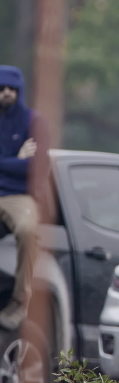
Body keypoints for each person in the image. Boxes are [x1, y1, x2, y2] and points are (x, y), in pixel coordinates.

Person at [0, 65, 50, 331]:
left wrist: (8, 163)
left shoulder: (35, 122)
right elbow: (23, 163)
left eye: (12, 89)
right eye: (2, 88)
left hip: (18, 195)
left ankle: (19, 302)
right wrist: (16, 158)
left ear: (20, 91)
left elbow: (37, 166)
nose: (6, 93)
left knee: (28, 230)